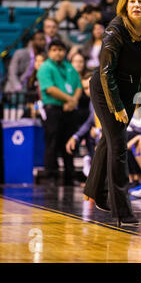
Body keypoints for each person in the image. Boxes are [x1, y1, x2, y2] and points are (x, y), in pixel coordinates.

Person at [83, 0, 141, 227]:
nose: (137, 5)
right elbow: (106, 71)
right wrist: (117, 105)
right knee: (118, 144)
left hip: (130, 92)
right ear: (125, 5)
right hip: (106, 89)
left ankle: (95, 191)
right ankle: (122, 211)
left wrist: (138, 97)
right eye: (132, 2)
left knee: (107, 142)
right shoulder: (115, 30)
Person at [37, 40, 82, 186]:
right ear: (49, 52)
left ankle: (70, 176)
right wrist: (71, 100)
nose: (58, 52)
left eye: (61, 49)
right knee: (52, 143)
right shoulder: (45, 67)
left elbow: (79, 86)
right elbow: (49, 89)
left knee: (69, 143)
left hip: (69, 110)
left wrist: (73, 101)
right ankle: (51, 176)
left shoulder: (69, 67)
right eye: (54, 50)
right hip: (53, 109)